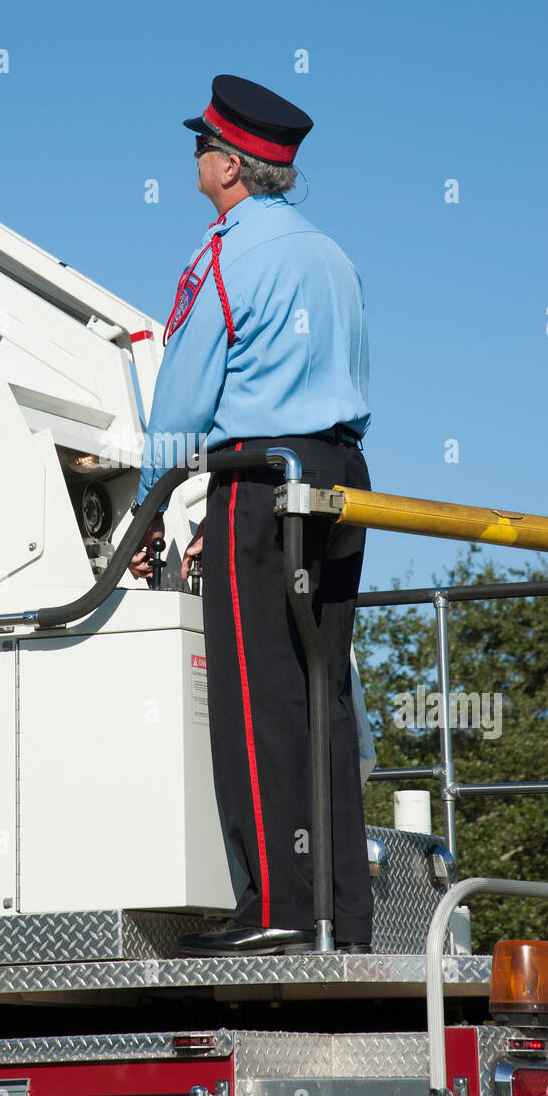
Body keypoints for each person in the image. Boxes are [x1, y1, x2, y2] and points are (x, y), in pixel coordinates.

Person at [128, 74, 374, 955]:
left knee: (253, 694)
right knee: (324, 696)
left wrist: (151, 505)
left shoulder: (226, 255)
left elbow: (181, 405)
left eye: (200, 147)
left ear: (229, 165)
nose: (193, 160)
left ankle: (272, 904)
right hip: (342, 476)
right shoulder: (331, 257)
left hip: (260, 479)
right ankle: (343, 919)